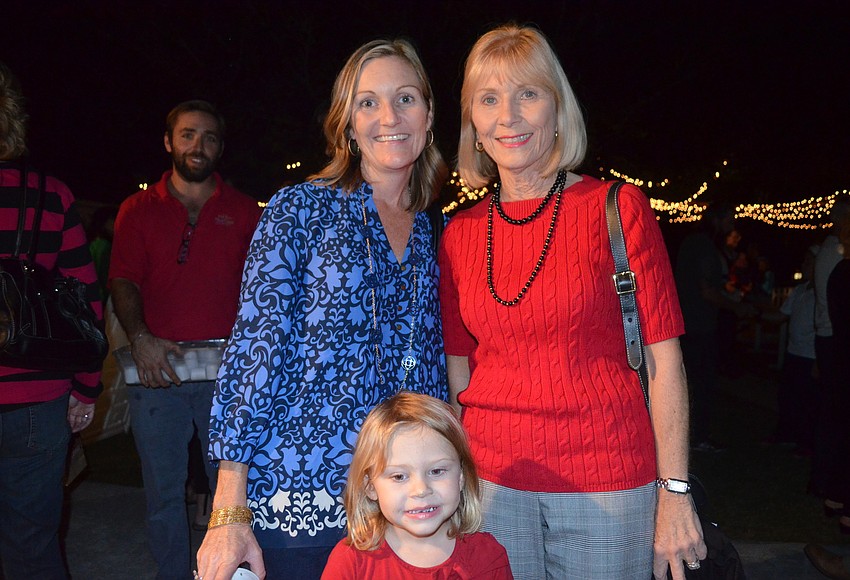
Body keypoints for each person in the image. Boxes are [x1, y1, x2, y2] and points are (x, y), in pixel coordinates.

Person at [438, 24, 704, 580]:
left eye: (528, 93)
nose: (508, 116)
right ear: (473, 125)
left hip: (606, 484)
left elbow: (664, 363)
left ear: (558, 110)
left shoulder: (618, 208)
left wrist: (675, 491)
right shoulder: (460, 233)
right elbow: (459, 369)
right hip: (491, 487)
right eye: (489, 99)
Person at [196, 38, 448, 580]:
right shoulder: (299, 210)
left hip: (405, 504)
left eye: (406, 99)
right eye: (368, 102)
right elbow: (254, 353)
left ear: (428, 117)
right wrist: (229, 507)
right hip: (299, 498)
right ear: (347, 125)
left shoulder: (438, 228)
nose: (389, 117)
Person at [109, 99, 261, 579]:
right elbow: (123, 280)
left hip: (229, 378)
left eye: (210, 137)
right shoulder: (137, 209)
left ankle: (229, 574)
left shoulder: (244, 211)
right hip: (157, 371)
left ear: (220, 148)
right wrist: (140, 337)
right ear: (169, 141)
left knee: (233, 492)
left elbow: (262, 289)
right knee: (163, 493)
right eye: (189, 134)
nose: (199, 145)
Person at [0, 61, 103, 578]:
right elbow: (85, 304)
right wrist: (85, 390)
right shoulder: (50, 195)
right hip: (36, 400)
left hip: (35, 401)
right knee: (33, 546)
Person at [321, 391, 512, 579]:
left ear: (461, 477)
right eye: (399, 476)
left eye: (436, 471)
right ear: (370, 487)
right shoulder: (351, 563)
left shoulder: (488, 558)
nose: (421, 490)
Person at [675, 202, 756, 451]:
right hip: (698, 325)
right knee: (701, 383)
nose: (732, 226)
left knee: (692, 383)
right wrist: (736, 307)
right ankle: (697, 437)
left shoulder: (696, 243)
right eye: (729, 220)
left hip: (690, 323)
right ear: (716, 220)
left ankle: (689, 436)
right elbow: (707, 290)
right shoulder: (703, 246)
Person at [810, 196, 850, 502]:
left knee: (834, 414)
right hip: (835, 339)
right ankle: (829, 485)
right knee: (836, 416)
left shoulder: (833, 255)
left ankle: (828, 485)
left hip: (833, 338)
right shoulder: (835, 256)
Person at [771, 245, 818, 452]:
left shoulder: (821, 294)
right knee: (787, 395)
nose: (804, 265)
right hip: (793, 352)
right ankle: (785, 434)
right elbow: (782, 315)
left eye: (809, 262)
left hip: (810, 355)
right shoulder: (800, 290)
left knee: (806, 400)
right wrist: (755, 312)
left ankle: (804, 441)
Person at [823, 208, 850, 534]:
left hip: (841, 358)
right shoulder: (844, 273)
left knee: (842, 431)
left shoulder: (839, 272)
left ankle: (834, 498)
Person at [87, 204, 117, 303]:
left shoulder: (94, 243)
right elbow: (105, 279)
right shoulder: (105, 247)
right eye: (114, 220)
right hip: (100, 299)